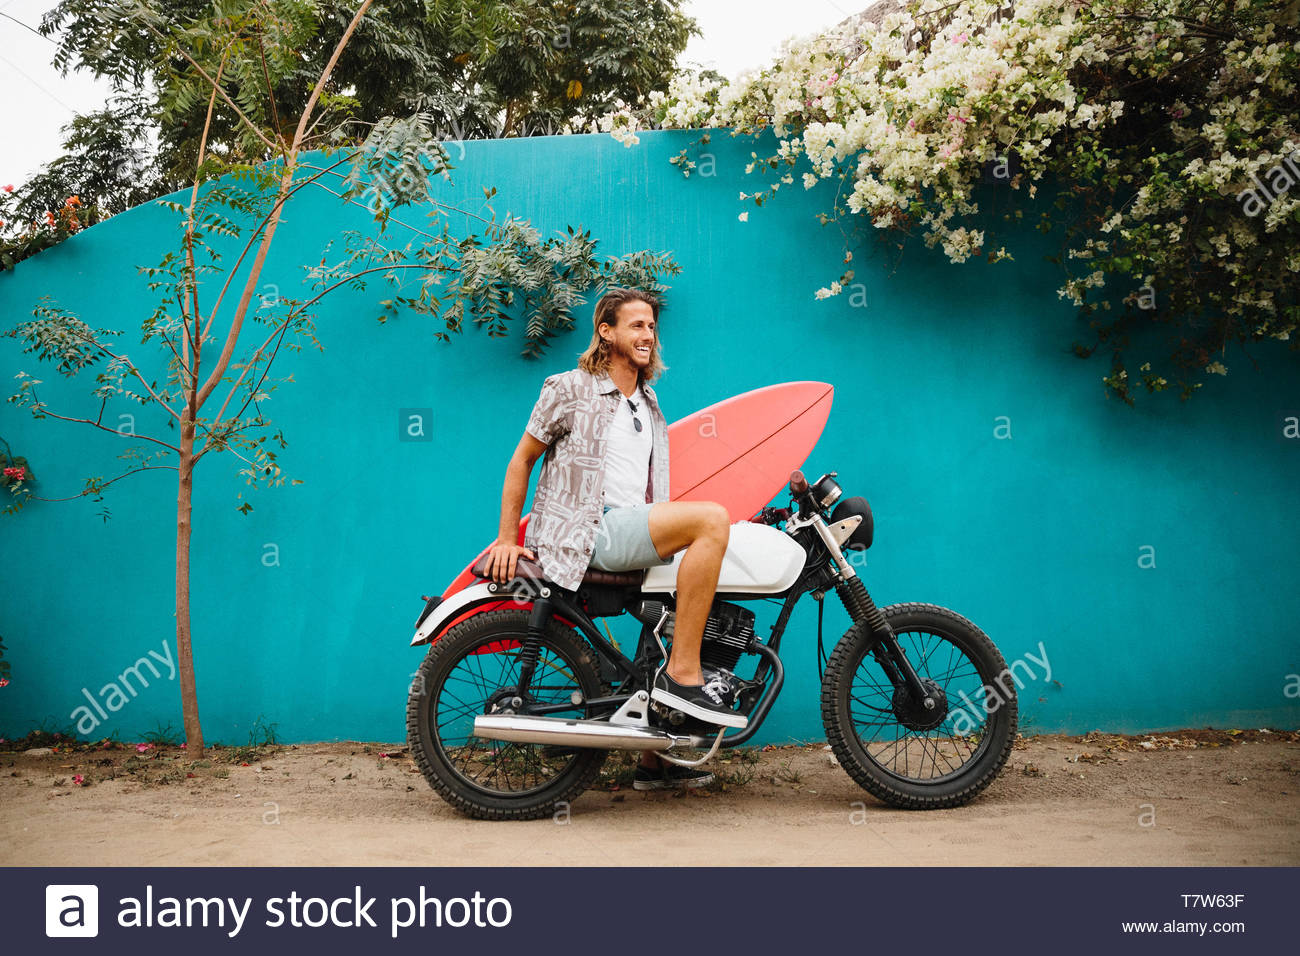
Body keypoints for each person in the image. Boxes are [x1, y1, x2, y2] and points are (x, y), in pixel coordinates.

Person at [483, 287, 743, 791]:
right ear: (606, 332)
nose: (648, 335)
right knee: (712, 520)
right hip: (589, 529)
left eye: (651, 327)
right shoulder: (569, 387)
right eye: (637, 326)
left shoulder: (648, 401)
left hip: (631, 525)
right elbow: (522, 460)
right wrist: (505, 539)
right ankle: (683, 677)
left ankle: (655, 757)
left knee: (672, 597)